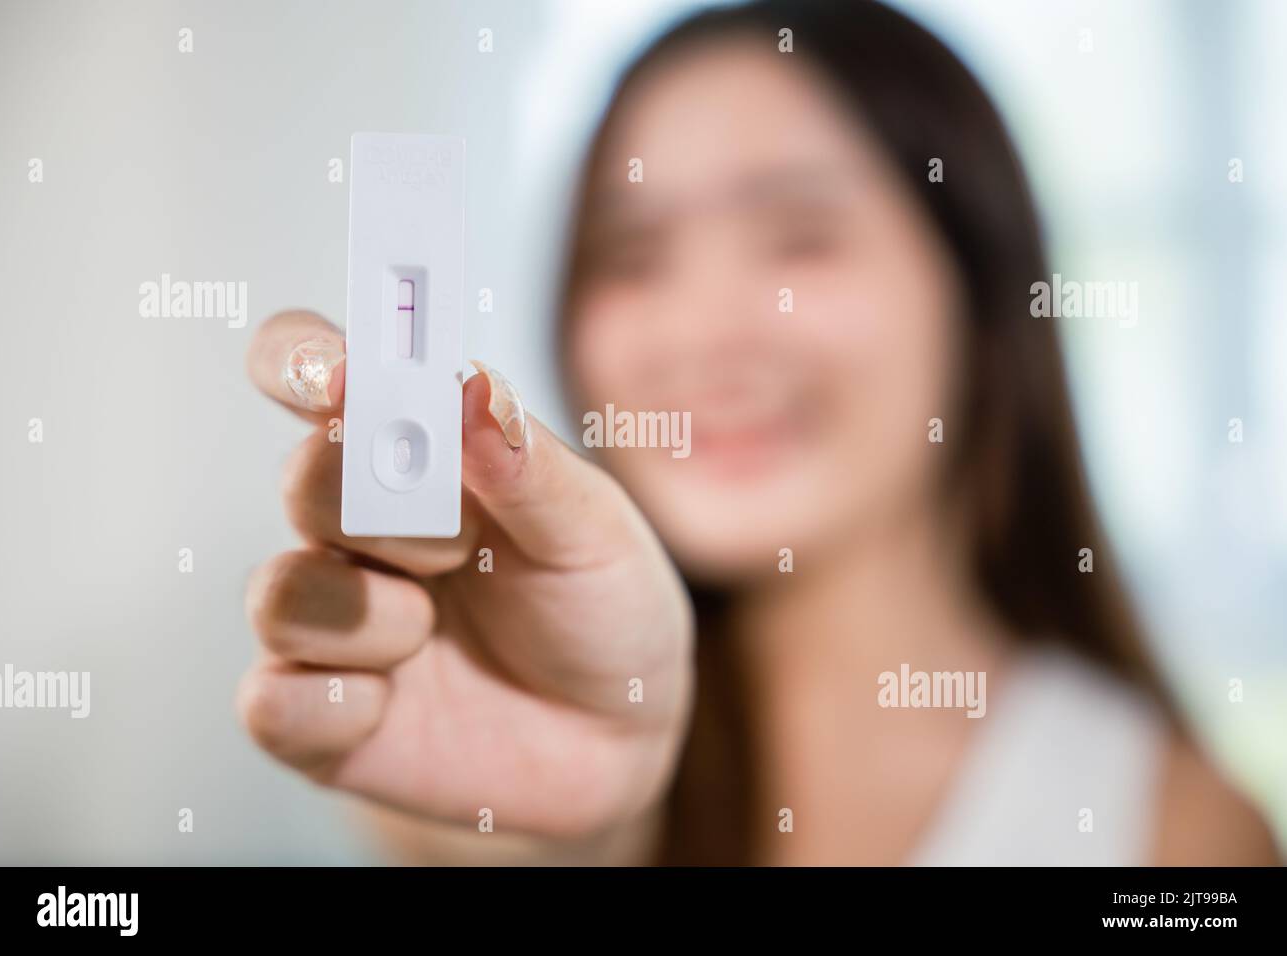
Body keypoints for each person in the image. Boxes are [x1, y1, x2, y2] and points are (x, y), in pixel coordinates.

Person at [238, 0, 1279, 865]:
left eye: (800, 236)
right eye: (634, 254)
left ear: (982, 292)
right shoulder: (484, 752)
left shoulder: (1174, 836)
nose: (703, 331)